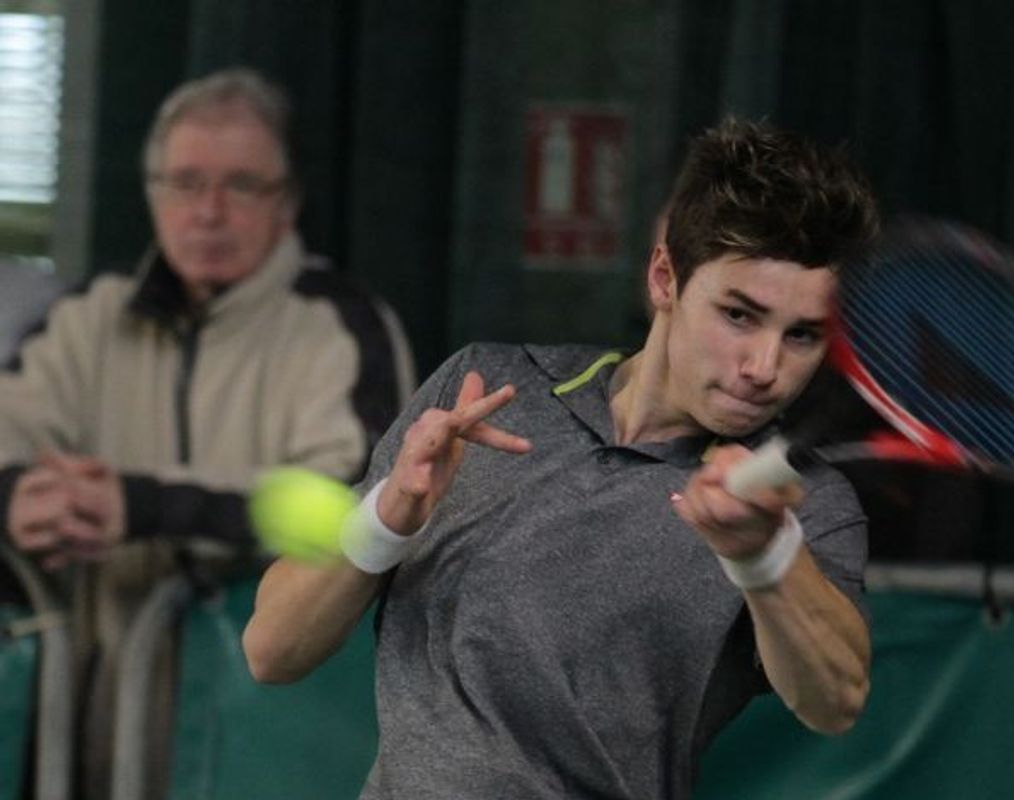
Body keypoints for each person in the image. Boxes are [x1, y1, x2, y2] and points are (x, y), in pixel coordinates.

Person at [244, 117, 879, 799]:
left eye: (804, 335)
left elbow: (836, 697)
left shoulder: (802, 504)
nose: (765, 367)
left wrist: (765, 556)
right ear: (665, 277)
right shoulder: (485, 389)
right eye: (739, 315)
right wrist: (389, 512)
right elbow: (272, 650)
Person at [0, 68, 408, 797]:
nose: (209, 212)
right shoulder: (90, 317)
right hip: (83, 743)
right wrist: (17, 497)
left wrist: (143, 507)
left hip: (265, 749)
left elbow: (346, 513)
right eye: (185, 183)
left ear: (287, 203)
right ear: (152, 193)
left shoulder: (340, 327)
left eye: (242, 185)